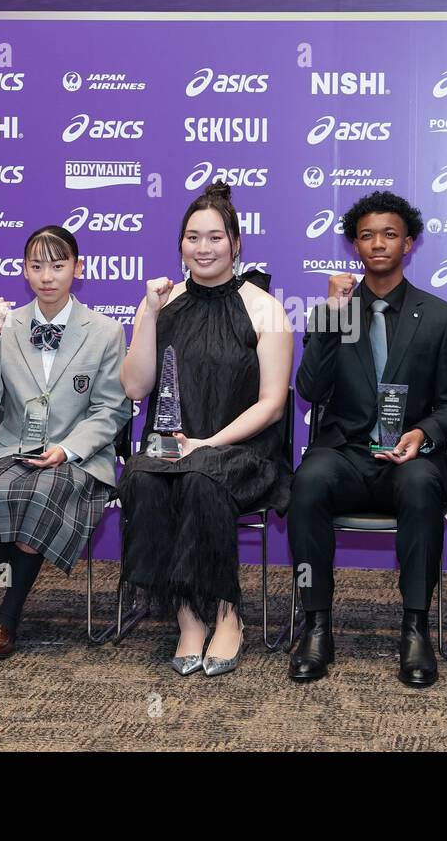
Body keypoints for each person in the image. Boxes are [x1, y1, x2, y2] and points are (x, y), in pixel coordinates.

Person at [288, 191, 447, 687]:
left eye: (389, 234)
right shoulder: (337, 310)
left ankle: (415, 627)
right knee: (307, 482)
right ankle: (317, 625)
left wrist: (421, 433)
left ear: (408, 243)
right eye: (366, 235)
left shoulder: (439, 316)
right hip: (346, 453)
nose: (378, 243)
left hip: (410, 458)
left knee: (418, 487)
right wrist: (328, 314)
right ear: (354, 245)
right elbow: (309, 389)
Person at [118, 182, 292, 677]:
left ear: (236, 243)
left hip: (244, 451)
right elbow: (135, 387)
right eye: (192, 238)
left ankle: (226, 614)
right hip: (173, 447)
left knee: (200, 477)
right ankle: (188, 616)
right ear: (180, 246)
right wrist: (148, 315)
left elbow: (273, 404)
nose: (203, 247)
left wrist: (207, 444)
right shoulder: (161, 306)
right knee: (143, 476)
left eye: (215, 237)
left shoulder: (265, 309)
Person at [0, 226, 131, 660]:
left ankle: (6, 618)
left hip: (77, 455)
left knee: (40, 493)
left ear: (78, 269)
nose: (47, 275)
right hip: (11, 447)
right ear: (24, 271)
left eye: (58, 264)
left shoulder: (105, 331)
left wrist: (67, 449)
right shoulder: (6, 326)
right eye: (36, 266)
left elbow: (112, 410)